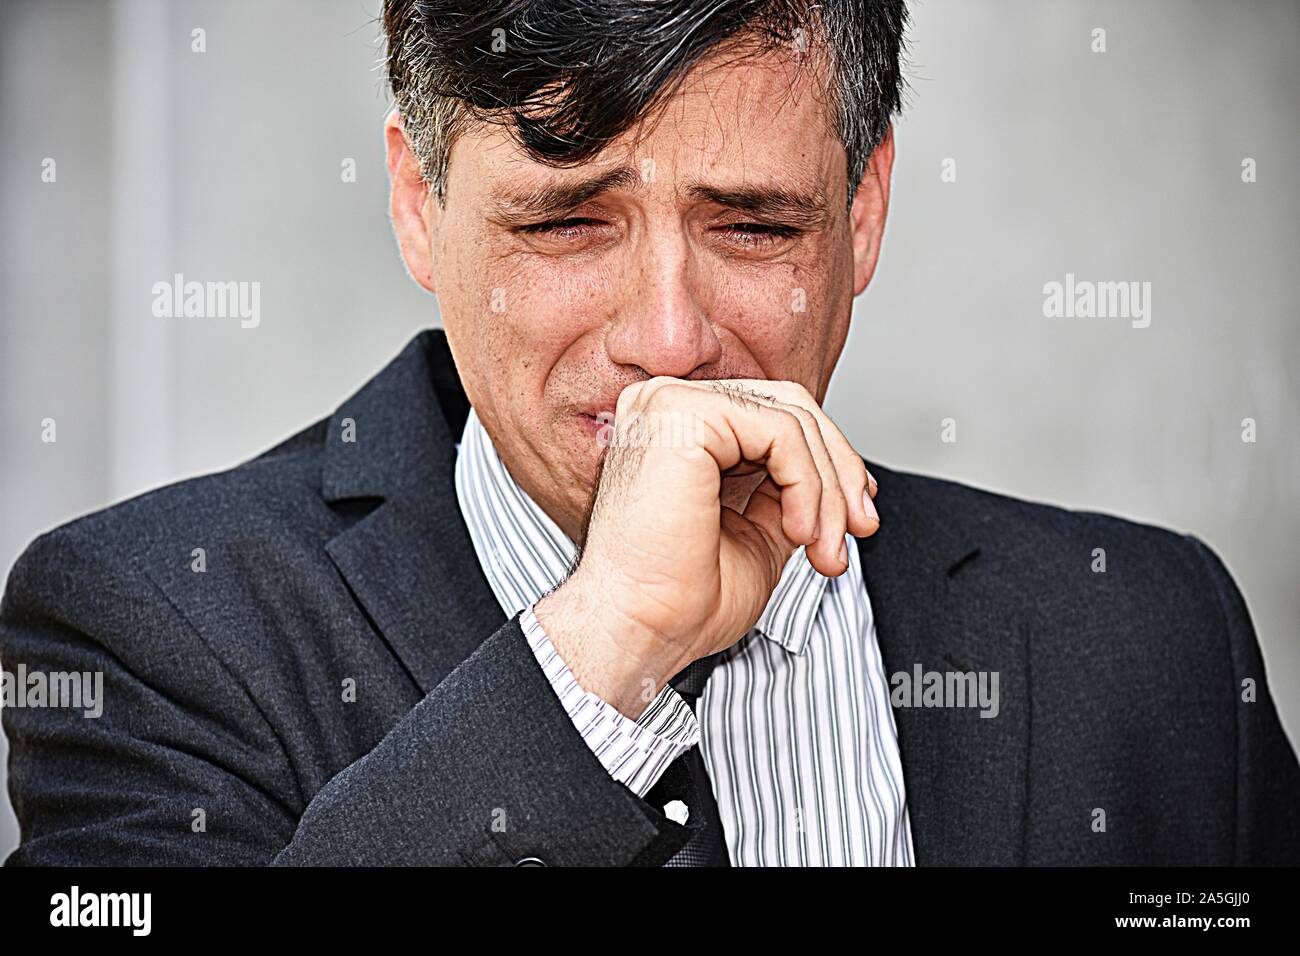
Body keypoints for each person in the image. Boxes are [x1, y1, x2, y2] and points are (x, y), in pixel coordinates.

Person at [2, 0, 1297, 866]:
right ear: (415, 202)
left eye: (754, 227)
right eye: (567, 224)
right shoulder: (150, 625)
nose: (669, 340)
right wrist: (597, 653)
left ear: (867, 212)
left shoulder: (1149, 633)